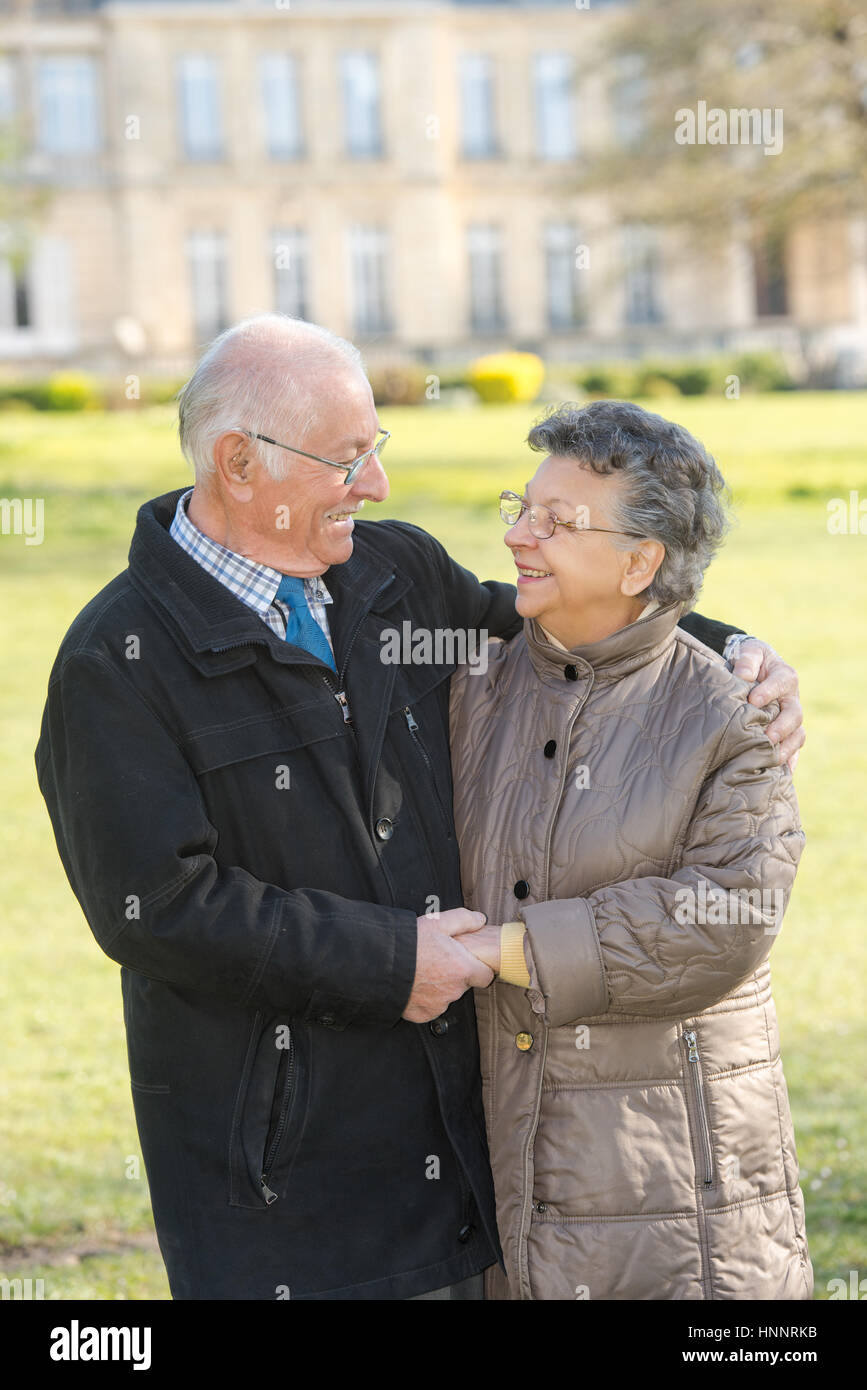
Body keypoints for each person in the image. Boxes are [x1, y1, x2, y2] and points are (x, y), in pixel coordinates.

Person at [35, 315, 803, 1300]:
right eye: (348, 458)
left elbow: (564, 626)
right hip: (282, 1204)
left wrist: (732, 649)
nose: (378, 484)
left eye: (376, 449)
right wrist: (392, 960)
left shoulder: (393, 574)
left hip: (466, 1172)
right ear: (239, 462)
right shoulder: (116, 662)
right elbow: (160, 910)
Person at [449, 399, 812, 1300]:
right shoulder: (465, 688)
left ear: (639, 562)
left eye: (556, 521)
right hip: (491, 1177)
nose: (517, 537)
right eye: (520, 508)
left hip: (674, 1193)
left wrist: (505, 951)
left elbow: (726, 915)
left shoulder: (732, 715)